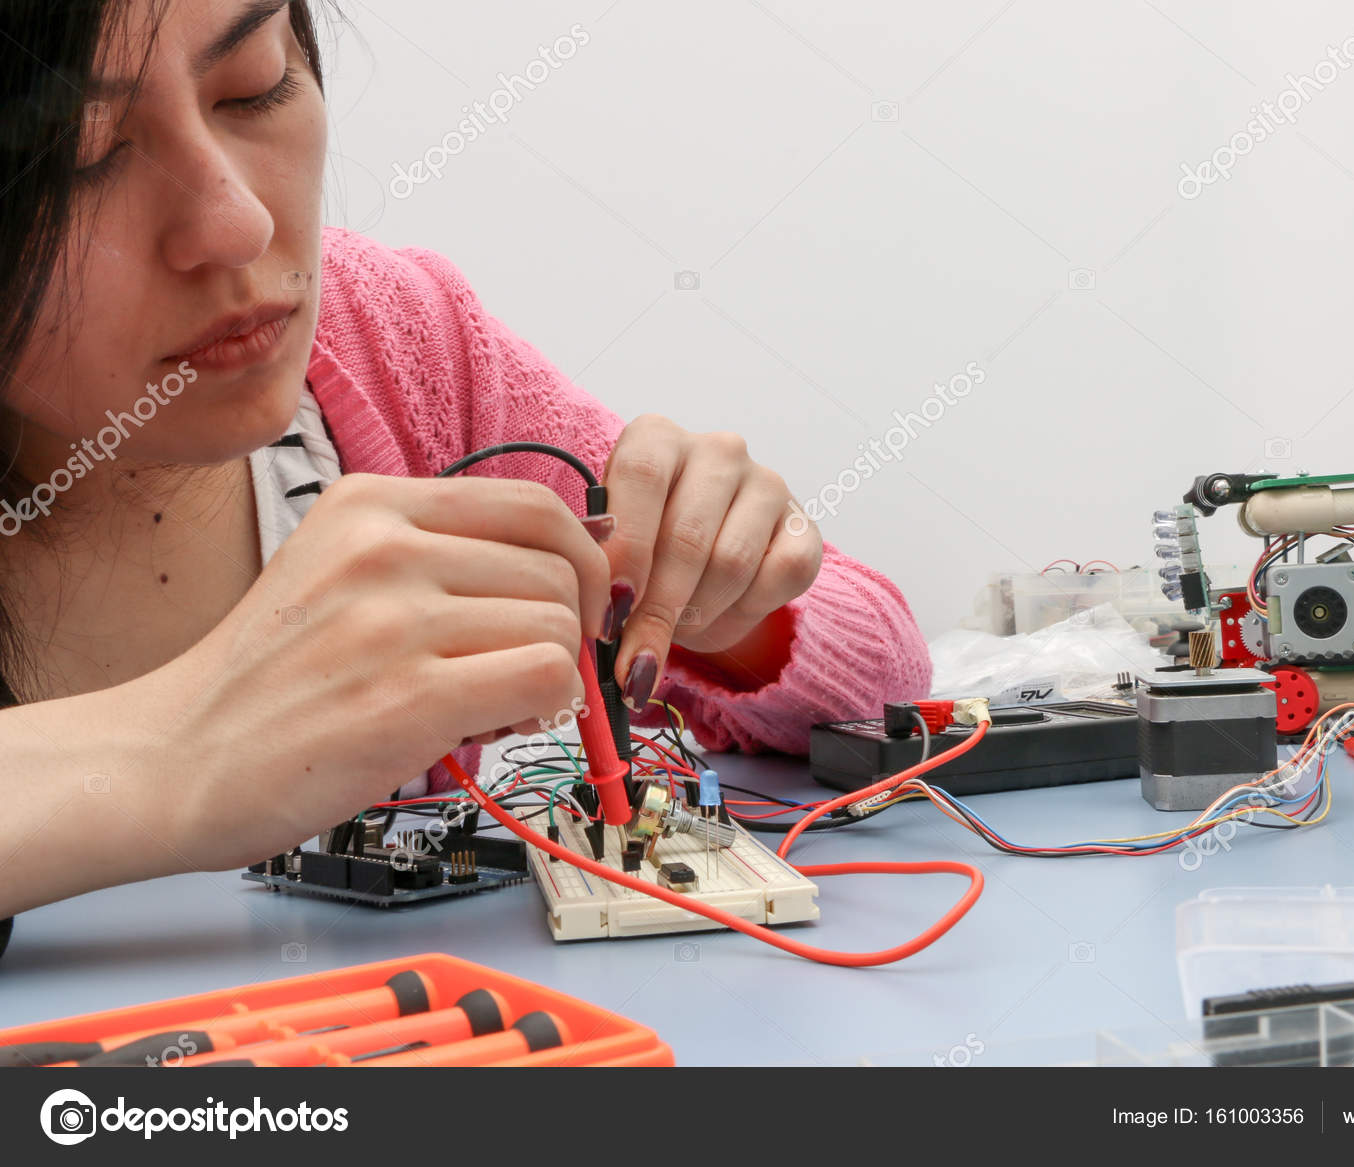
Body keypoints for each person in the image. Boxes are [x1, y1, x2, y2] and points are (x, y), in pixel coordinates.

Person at [0, 0, 929, 923]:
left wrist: (724, 604)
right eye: (83, 154)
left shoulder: (393, 344)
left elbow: (885, 692)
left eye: (255, 86)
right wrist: (182, 757)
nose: (236, 224)